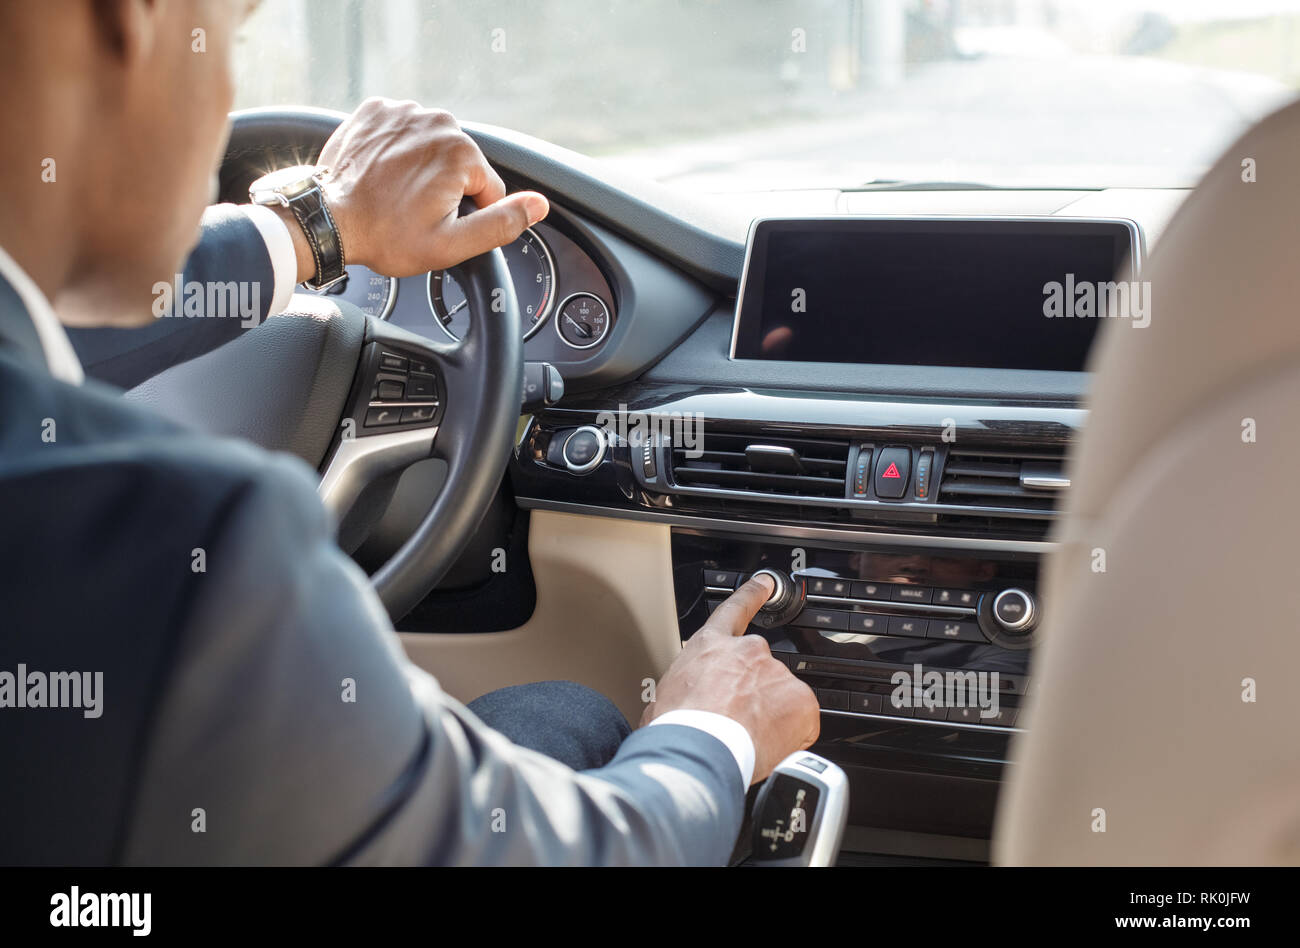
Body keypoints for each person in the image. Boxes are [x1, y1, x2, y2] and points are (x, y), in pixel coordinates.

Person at [0, 1, 818, 864]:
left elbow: (59, 307)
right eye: (228, 37)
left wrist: (316, 228)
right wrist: (710, 730)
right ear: (137, 21)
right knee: (569, 715)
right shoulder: (197, 549)